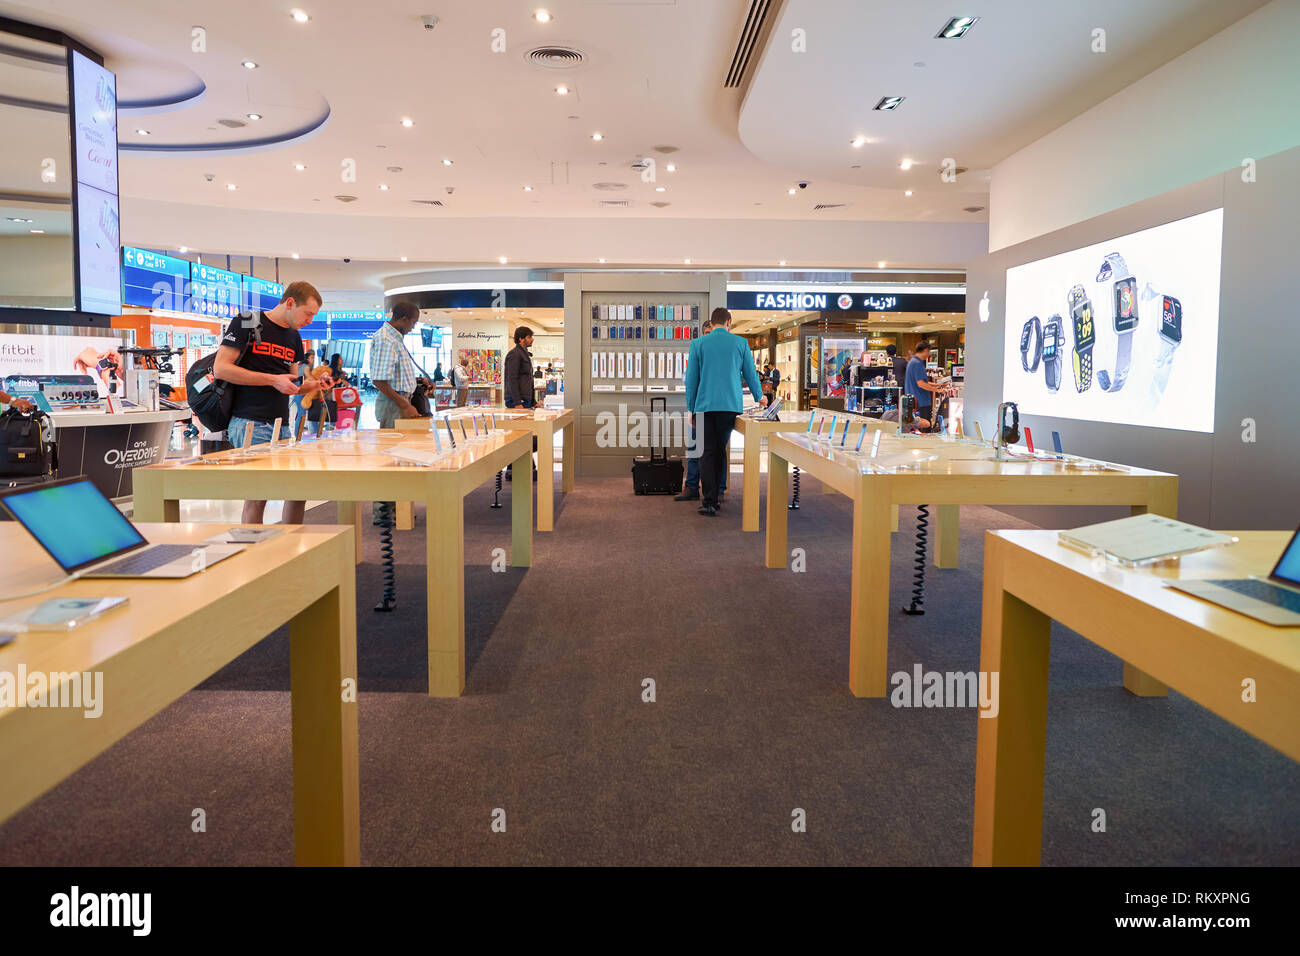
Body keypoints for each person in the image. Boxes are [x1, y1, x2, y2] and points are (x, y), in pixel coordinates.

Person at [214, 280, 331, 525]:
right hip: (250, 423)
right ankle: (254, 553)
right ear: (290, 303)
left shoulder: (294, 337)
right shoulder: (248, 320)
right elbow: (221, 369)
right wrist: (272, 380)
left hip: (283, 426)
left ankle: (291, 547)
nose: (310, 320)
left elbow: (292, 383)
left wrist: (316, 384)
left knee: (298, 492)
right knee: (258, 497)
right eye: (307, 313)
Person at [684, 307, 764, 517]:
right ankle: (717, 494)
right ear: (729, 322)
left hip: (704, 406)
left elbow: (691, 380)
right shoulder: (740, 344)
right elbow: (750, 374)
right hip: (729, 406)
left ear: (711, 324)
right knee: (720, 450)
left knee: (706, 452)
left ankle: (709, 501)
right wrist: (759, 396)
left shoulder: (698, 344)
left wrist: (691, 408)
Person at [370, 302, 425, 428]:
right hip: (394, 404)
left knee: (402, 445)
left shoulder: (395, 339)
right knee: (393, 444)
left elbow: (396, 376)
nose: (413, 327)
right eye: (413, 322)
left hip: (399, 402)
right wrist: (405, 405)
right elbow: (379, 381)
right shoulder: (386, 339)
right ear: (404, 319)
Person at [503, 325, 537, 481]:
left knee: (523, 435)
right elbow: (512, 379)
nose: (532, 339)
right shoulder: (514, 355)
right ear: (521, 338)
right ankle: (521, 469)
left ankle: (516, 469)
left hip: (525, 400)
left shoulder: (524, 355)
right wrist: (517, 402)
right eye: (529, 337)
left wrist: (534, 401)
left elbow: (528, 380)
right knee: (519, 435)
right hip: (517, 401)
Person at [904, 341, 945, 431]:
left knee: (914, 428)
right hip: (920, 401)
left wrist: (937, 385)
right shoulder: (918, 364)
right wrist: (937, 390)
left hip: (913, 401)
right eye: (929, 352)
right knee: (924, 427)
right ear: (926, 350)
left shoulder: (912, 362)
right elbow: (921, 384)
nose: (929, 354)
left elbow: (921, 381)